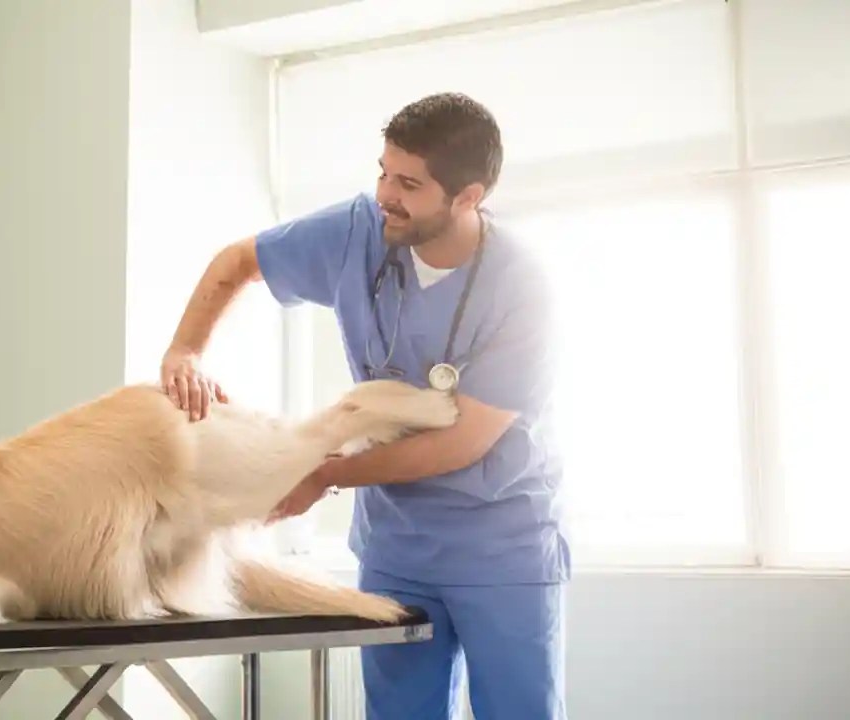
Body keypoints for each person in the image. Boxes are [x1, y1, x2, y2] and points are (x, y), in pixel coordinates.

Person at [159, 92, 568, 720]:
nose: (385, 193)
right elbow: (238, 262)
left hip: (501, 547)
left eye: (409, 182)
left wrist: (323, 472)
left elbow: (462, 444)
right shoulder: (359, 232)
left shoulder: (522, 286)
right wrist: (186, 351)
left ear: (468, 197)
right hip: (397, 548)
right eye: (383, 171)